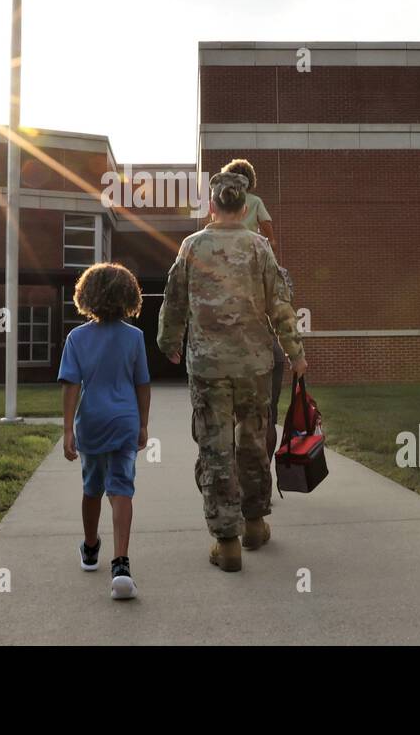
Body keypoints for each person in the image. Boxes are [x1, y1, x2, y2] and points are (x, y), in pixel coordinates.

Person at [157, 171, 306, 572]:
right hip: (254, 364)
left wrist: (168, 342)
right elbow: (280, 303)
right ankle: (255, 524)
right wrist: (296, 353)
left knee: (215, 447)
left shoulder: (191, 246)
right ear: (244, 208)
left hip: (207, 366)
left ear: (212, 206)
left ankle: (227, 544)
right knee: (254, 441)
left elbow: (173, 301)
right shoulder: (259, 247)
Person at [59, 262, 151, 600]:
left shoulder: (77, 338)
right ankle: (121, 565)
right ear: (128, 295)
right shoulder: (135, 337)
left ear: (87, 296)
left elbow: (71, 385)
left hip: (92, 422)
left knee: (92, 487)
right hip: (124, 420)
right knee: (122, 488)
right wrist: (143, 423)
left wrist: (68, 429)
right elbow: (143, 384)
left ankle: (91, 546)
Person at [220, 158, 288, 461]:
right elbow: (270, 232)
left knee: (228, 414)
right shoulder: (257, 205)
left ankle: (232, 475)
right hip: (262, 341)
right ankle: (261, 476)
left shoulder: (207, 245)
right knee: (266, 413)